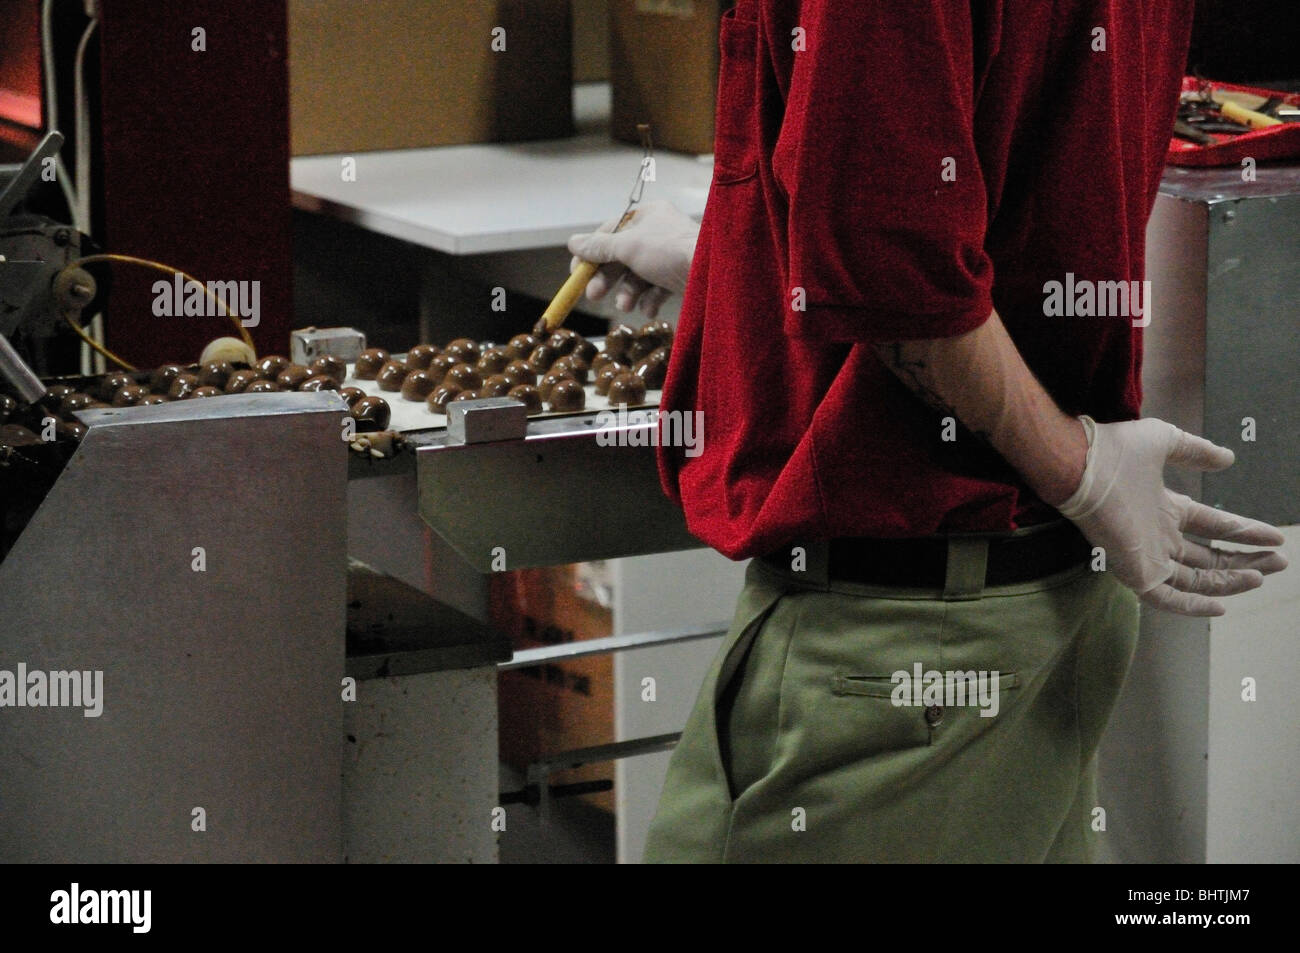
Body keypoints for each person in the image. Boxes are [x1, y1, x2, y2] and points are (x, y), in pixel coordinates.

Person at [567, 1, 1289, 863]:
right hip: (1035, 609)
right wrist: (735, 254)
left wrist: (1082, 472)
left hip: (906, 646)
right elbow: (989, 192)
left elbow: (898, 280)